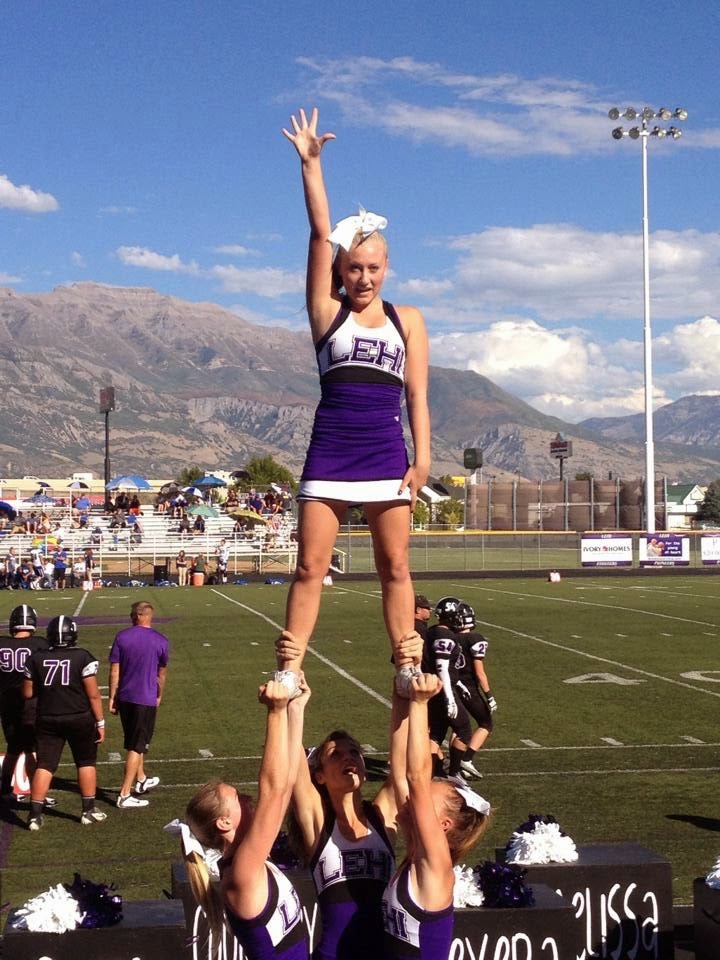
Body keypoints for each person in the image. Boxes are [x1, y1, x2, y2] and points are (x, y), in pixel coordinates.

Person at [278, 106, 430, 692]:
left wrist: (422, 459)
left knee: (396, 567)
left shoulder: (409, 319)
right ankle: (289, 668)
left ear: (387, 267)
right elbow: (319, 233)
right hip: (331, 454)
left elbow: (416, 393)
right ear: (341, 270)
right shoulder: (326, 313)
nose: (364, 277)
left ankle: (407, 664)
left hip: (387, 456)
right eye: (354, 268)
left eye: (373, 267)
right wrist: (313, 167)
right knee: (310, 567)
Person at [277, 629, 422, 960]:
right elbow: (291, 763)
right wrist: (294, 706)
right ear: (320, 776)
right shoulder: (318, 823)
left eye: (354, 752)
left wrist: (404, 690)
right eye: (336, 755)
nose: (349, 759)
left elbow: (400, 766)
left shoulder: (381, 816)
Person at [181, 676, 310, 959]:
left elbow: (286, 783)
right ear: (224, 822)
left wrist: (294, 710)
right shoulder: (242, 871)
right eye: (238, 799)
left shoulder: (250, 860)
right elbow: (275, 792)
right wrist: (275, 712)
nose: (249, 799)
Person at [382, 674, 491, 958]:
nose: (422, 790)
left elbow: (416, 777)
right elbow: (400, 771)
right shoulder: (417, 856)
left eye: (431, 792)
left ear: (444, 824)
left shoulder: (435, 863)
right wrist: (400, 695)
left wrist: (419, 703)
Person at [22, 615, 106, 829]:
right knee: (86, 762)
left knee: (45, 765)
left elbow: (28, 692)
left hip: (48, 717)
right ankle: (87, 810)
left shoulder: (36, 658)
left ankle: (34, 815)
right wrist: (100, 722)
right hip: (79, 716)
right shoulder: (83, 657)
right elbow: (94, 695)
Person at [108, 601, 169, 809]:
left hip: (125, 697)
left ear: (137, 616)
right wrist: (159, 695)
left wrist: (112, 697)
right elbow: (161, 673)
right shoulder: (160, 640)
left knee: (136, 739)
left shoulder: (122, 637)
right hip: (145, 698)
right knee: (136, 745)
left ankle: (141, 779)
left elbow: (115, 670)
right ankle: (124, 794)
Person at [0, 605, 49, 805]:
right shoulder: (40, 644)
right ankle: (38, 795)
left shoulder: (1, 643)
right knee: (31, 749)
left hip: (6, 703)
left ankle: (4, 789)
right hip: (31, 704)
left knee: (13, 747)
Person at [423, 597, 472, 780]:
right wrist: (450, 698)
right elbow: (442, 666)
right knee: (464, 729)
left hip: (437, 687)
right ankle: (454, 772)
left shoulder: (434, 631)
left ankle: (431, 772)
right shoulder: (445, 636)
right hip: (443, 689)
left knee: (436, 733)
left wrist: (458, 683)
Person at [452, 602, 496, 780]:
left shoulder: (450, 637)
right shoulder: (475, 639)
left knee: (458, 727)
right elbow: (480, 672)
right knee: (486, 723)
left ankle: (454, 765)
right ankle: (467, 759)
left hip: (452, 685)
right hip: (469, 687)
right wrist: (489, 695)